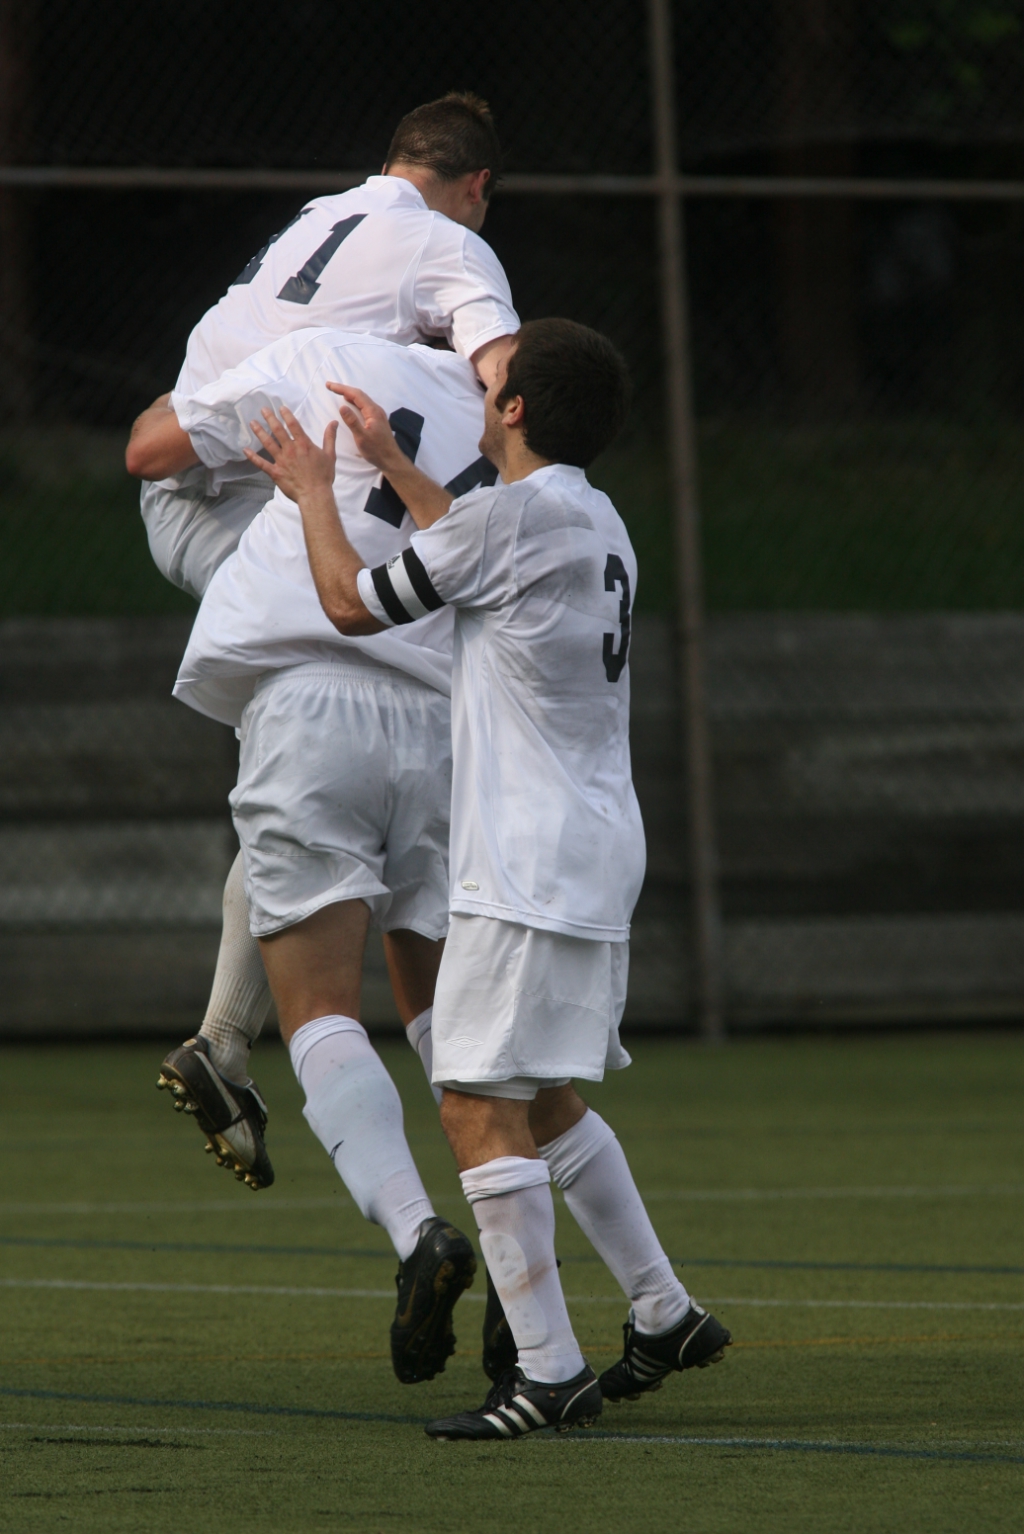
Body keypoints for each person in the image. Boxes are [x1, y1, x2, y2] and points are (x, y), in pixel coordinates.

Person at [242, 317, 732, 1439]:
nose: (475, 383)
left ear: (510, 412)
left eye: (488, 378)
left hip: (527, 856)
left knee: (469, 1099)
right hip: (590, 844)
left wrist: (316, 489)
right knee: (542, 1098)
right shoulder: (590, 516)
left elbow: (349, 603)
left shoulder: (514, 520)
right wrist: (406, 467)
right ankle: (663, 1309)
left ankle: (549, 1373)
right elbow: (472, 545)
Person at [126, 91, 519, 1183]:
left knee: (303, 762)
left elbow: (154, 446)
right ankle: (222, 1038)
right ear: (476, 187)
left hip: (202, 474)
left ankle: (219, 1039)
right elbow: (509, 379)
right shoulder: (446, 249)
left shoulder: (317, 217)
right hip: (242, 480)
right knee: (315, 715)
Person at [127, 326, 499, 1384]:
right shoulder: (506, 424)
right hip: (442, 721)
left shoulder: (318, 355)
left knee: (324, 1016)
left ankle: (417, 1230)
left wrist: (231, 355)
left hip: (314, 697)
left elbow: (152, 454)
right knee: (445, 1016)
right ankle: (533, 1270)